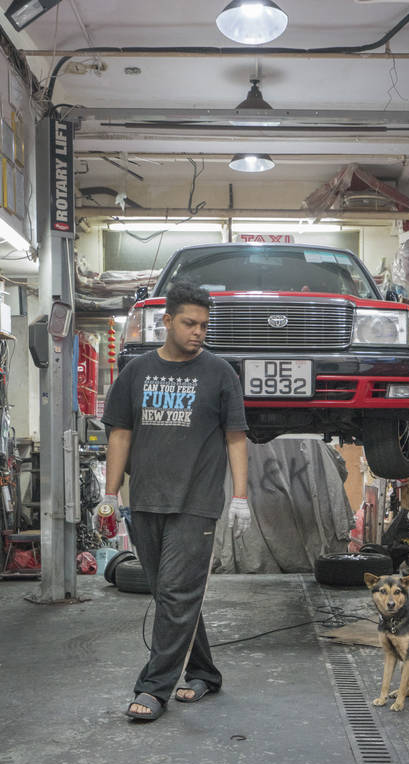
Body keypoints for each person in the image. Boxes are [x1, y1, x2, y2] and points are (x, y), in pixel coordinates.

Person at [100, 280, 250, 722]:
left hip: (195, 502)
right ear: (166, 321)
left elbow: (235, 438)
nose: (198, 331)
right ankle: (203, 671)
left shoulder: (220, 373)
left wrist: (239, 496)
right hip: (145, 499)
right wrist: (110, 493)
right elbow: (120, 433)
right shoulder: (137, 372)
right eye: (189, 323)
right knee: (171, 596)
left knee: (177, 593)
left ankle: (153, 688)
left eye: (204, 325)